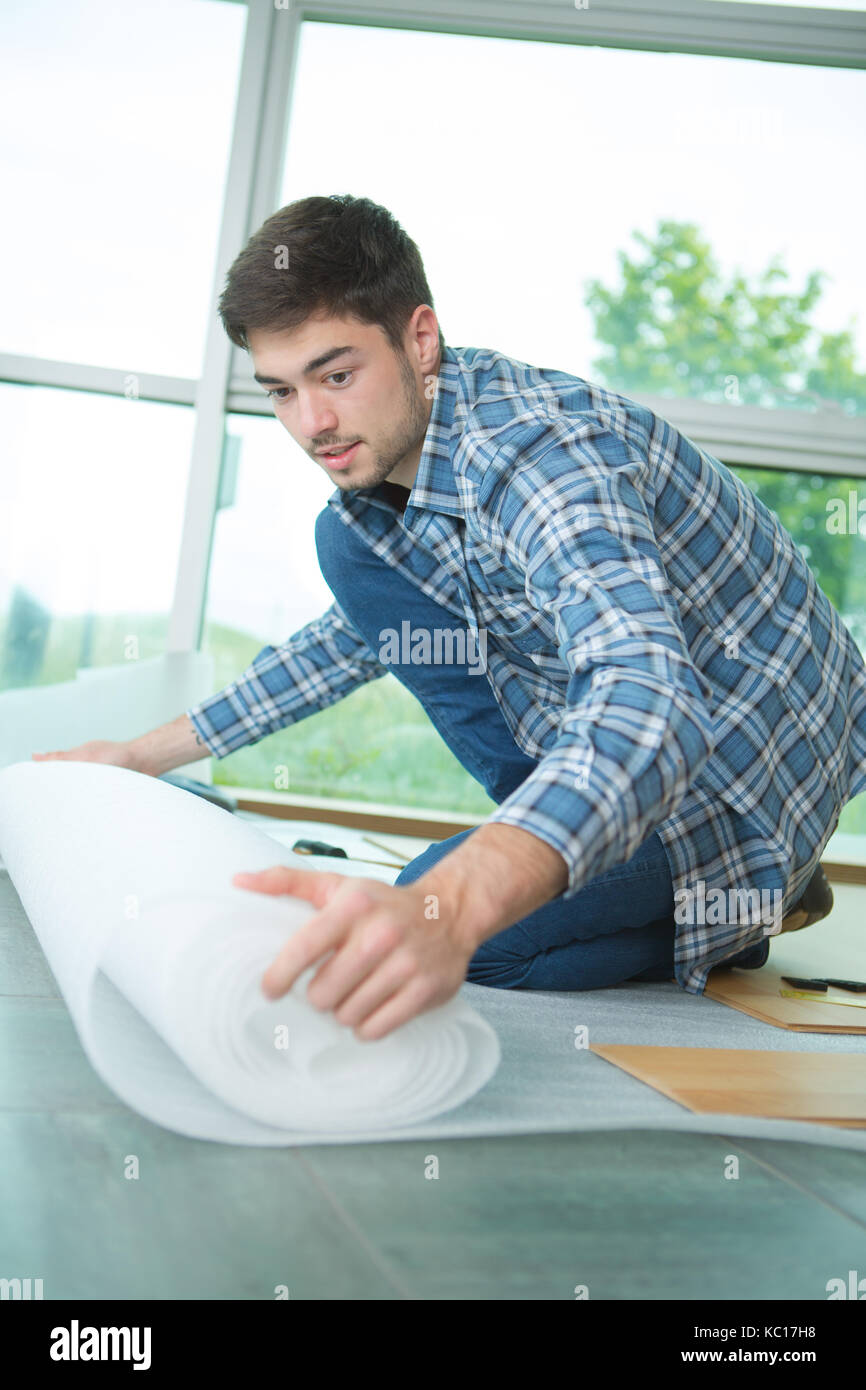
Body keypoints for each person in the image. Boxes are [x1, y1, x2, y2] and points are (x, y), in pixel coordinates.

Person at [33, 194, 863, 1043]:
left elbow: (647, 697)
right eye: (282, 390)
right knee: (351, 547)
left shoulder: (541, 457)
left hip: (738, 774)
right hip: (651, 749)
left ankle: (744, 905)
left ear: (419, 339)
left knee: (453, 934)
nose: (312, 423)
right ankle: (615, 875)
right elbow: (348, 644)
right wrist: (138, 755)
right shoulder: (391, 489)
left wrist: (460, 901)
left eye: (337, 374)